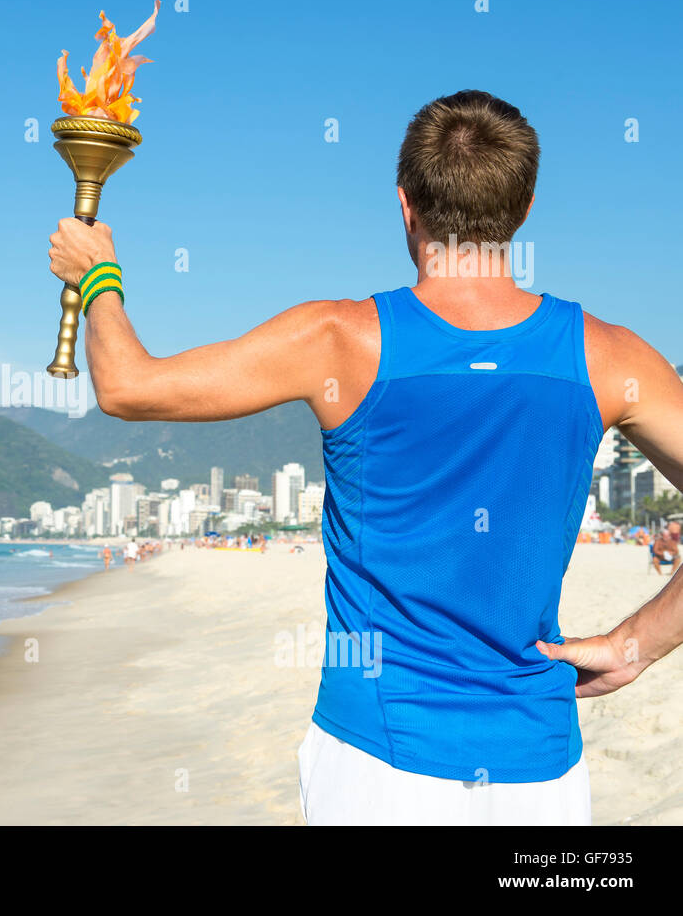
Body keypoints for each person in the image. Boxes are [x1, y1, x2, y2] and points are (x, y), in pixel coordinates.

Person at [47, 89, 683, 826]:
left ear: (406, 205)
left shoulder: (339, 341)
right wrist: (636, 643)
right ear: (526, 207)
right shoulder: (609, 357)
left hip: (379, 768)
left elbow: (129, 385)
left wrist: (98, 274)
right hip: (540, 773)